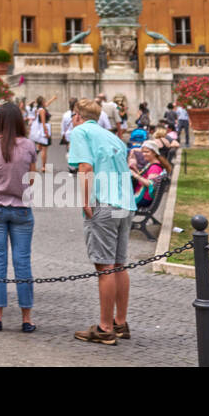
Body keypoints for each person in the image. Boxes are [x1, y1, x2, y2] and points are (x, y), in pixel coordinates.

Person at [66, 98, 135, 345]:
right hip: (124, 204)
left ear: (77, 116)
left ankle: (105, 328)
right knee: (119, 264)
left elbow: (85, 167)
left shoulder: (80, 131)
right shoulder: (113, 137)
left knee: (105, 267)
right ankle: (120, 322)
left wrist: (86, 201)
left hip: (103, 203)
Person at [0, 102, 39, 333]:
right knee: (23, 262)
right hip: (22, 210)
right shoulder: (30, 145)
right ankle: (26, 318)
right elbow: (32, 179)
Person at [130, 139, 171, 209]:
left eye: (147, 152)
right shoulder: (152, 163)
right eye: (143, 152)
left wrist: (135, 174)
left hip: (143, 198)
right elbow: (145, 176)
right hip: (144, 196)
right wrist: (135, 169)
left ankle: (116, 218)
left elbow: (149, 183)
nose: (143, 154)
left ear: (154, 153)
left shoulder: (155, 167)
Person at [29, 94, 57, 172]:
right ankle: (43, 167)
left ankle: (31, 163)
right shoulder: (42, 110)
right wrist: (46, 133)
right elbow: (43, 123)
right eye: (44, 100)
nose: (46, 102)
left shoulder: (37, 109)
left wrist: (53, 98)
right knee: (44, 149)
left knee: (39, 148)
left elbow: (47, 104)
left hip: (39, 130)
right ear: (42, 102)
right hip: (43, 130)